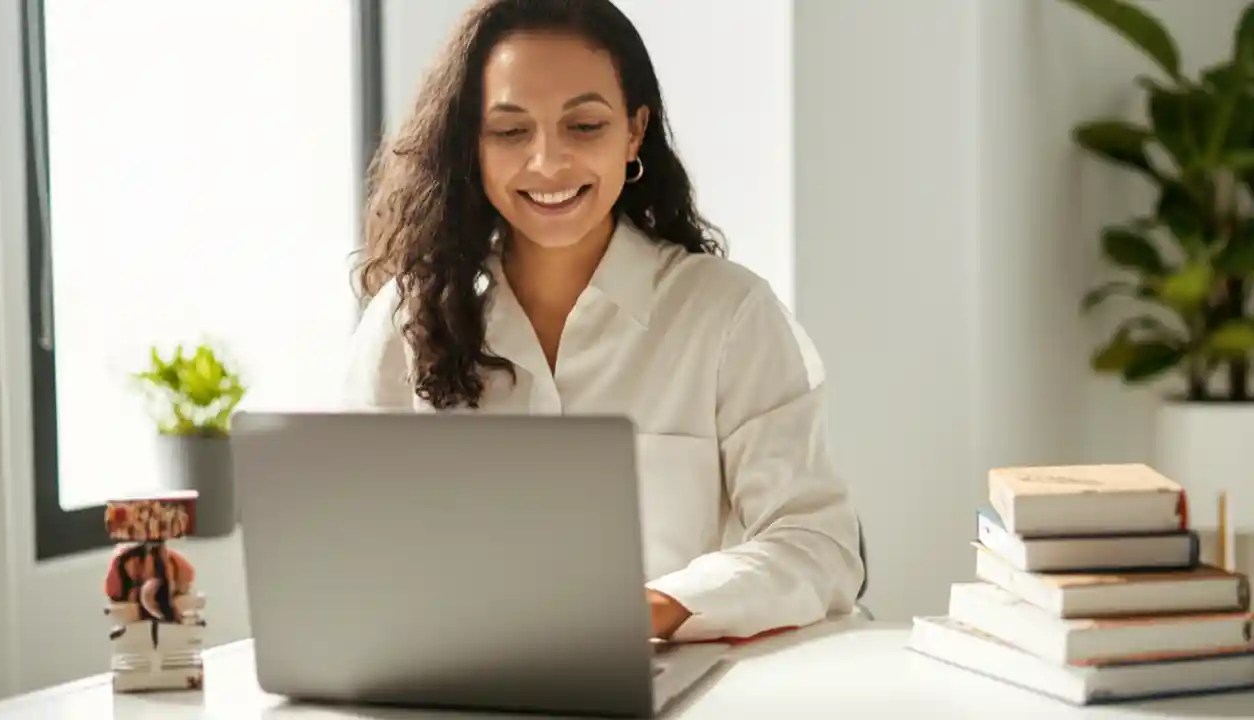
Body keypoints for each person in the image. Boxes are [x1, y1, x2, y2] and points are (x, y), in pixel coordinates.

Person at [344, 0, 865, 643]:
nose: (548, 163)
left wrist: (653, 607)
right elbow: (357, 549)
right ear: (471, 146)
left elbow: (818, 544)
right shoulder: (404, 320)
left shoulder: (726, 314)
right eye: (510, 132)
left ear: (634, 132)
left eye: (584, 125)